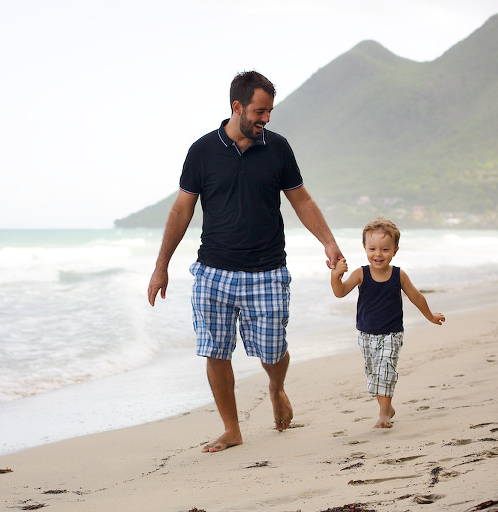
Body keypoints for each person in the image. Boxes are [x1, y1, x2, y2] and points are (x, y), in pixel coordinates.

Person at [148, 70, 343, 452]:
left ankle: (276, 387)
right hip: (213, 272)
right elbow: (182, 210)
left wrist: (329, 243)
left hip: (267, 271)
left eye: (269, 111)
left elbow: (300, 199)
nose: (266, 119)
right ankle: (232, 428)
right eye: (259, 111)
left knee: (273, 351)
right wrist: (161, 266)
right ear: (237, 107)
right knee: (216, 351)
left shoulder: (278, 148)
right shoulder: (202, 151)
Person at [329, 217, 445, 428]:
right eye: (372, 248)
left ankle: (384, 413)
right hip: (366, 334)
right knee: (373, 376)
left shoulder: (398, 275)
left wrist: (429, 316)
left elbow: (416, 297)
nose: (378, 254)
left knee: (386, 370)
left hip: (392, 333)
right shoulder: (360, 274)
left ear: (395, 250)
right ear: (364, 248)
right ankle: (387, 407)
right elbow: (340, 292)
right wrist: (335, 276)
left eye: (384, 249)